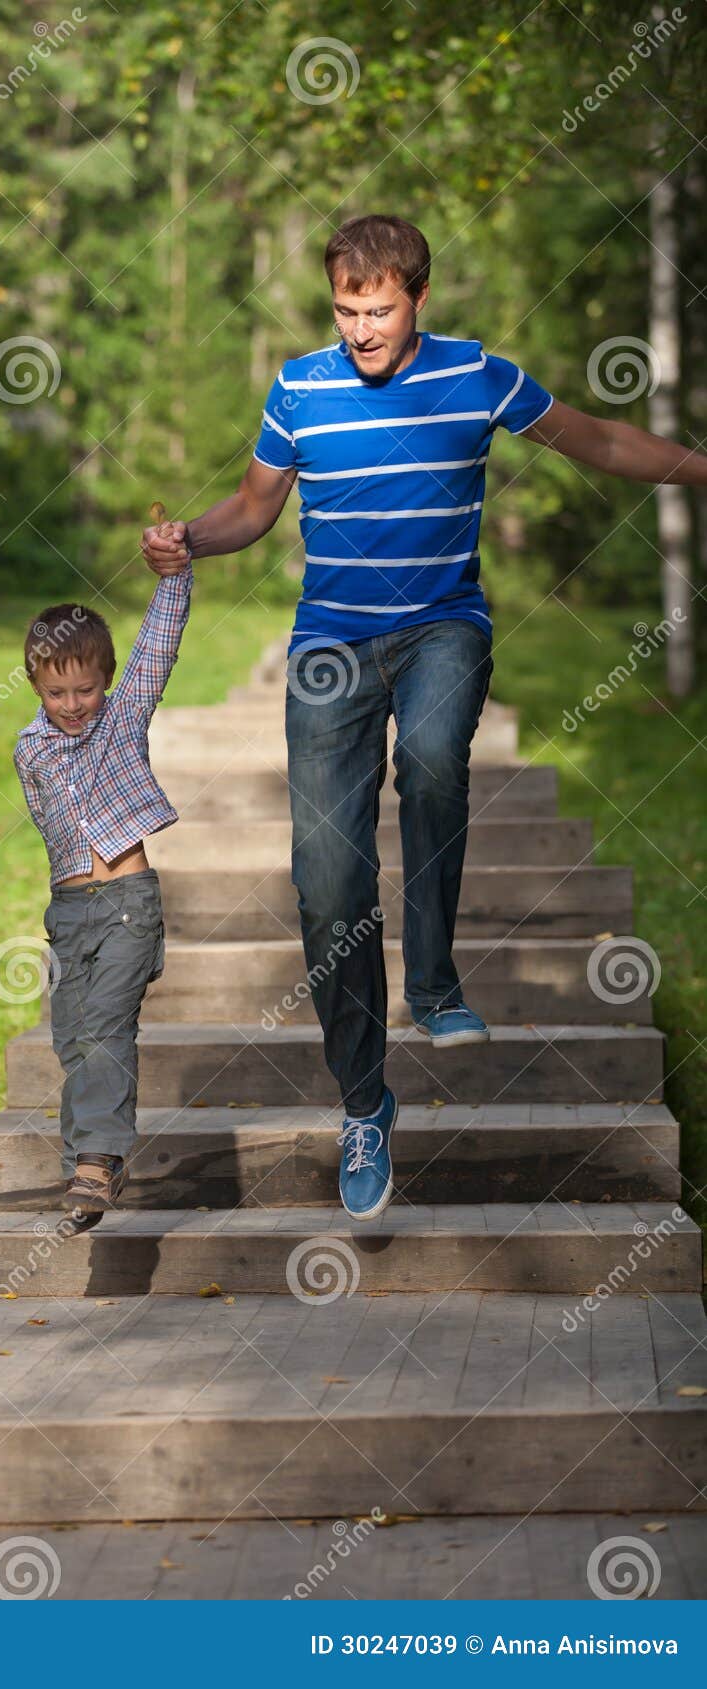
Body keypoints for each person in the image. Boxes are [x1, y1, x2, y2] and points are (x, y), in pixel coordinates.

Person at [140, 211, 707, 1225]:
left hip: (443, 626)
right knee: (325, 883)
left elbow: (599, 437)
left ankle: (436, 979)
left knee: (438, 755)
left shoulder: (478, 375)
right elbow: (253, 505)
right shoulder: (299, 387)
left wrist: (700, 469)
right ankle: (364, 1101)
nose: (359, 329)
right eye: (344, 310)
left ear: (418, 300)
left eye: (378, 309)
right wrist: (188, 536)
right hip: (328, 651)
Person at [13, 546, 194, 1219]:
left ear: (107, 681)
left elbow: (158, 648)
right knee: (72, 1040)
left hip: (125, 906)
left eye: (84, 689)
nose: (71, 705)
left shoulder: (121, 718)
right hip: (68, 912)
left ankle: (95, 1163)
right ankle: (88, 1173)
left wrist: (173, 576)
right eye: (55, 692)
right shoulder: (28, 749)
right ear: (34, 685)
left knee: (105, 1031)